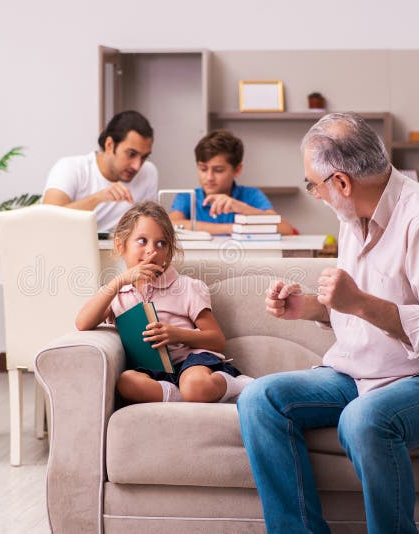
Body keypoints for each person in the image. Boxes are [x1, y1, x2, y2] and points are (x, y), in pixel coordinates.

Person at [237, 112, 419, 534]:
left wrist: (360, 302)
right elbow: (356, 310)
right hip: (360, 373)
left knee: (362, 419)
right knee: (260, 399)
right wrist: (310, 308)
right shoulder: (351, 217)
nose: (315, 194)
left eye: (313, 185)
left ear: (341, 182)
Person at [76, 200, 253, 403]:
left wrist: (177, 335)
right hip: (153, 371)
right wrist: (119, 281)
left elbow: (217, 340)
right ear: (120, 245)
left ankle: (238, 385)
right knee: (126, 382)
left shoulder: (186, 287)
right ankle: (180, 395)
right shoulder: (116, 294)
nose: (152, 251)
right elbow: (82, 322)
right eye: (142, 241)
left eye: (161, 244)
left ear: (169, 251)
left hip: (193, 363)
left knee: (194, 385)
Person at [42, 110, 158, 233]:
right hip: (70, 243)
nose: (137, 166)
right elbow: (47, 221)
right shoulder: (70, 168)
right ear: (109, 145)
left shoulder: (148, 172)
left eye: (144, 157)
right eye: (131, 154)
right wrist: (98, 198)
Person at [169, 129, 295, 235]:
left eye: (218, 170)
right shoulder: (187, 197)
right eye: (203, 169)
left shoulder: (251, 195)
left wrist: (242, 208)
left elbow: (286, 229)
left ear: (237, 170)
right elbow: (171, 225)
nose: (209, 177)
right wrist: (233, 228)